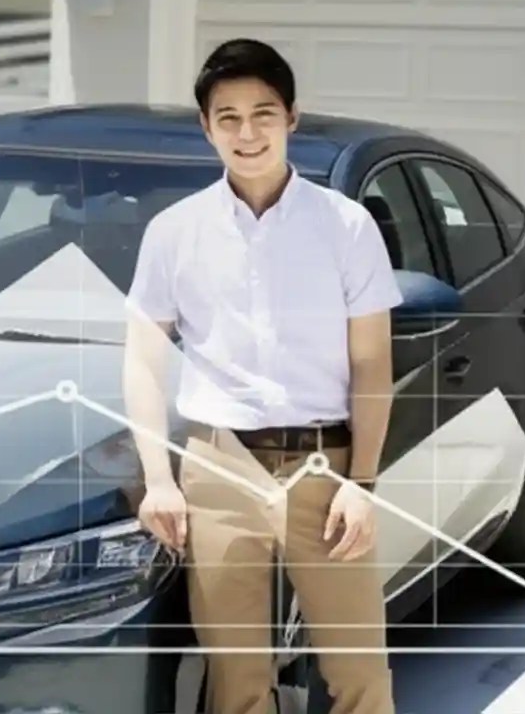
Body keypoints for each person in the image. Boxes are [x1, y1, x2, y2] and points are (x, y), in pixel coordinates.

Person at [122, 38, 403, 714]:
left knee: (360, 676)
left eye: (263, 114)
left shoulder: (346, 226)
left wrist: (362, 483)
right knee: (237, 683)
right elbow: (141, 354)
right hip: (219, 470)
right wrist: (158, 477)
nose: (247, 133)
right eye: (228, 117)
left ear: (292, 118)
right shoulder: (173, 232)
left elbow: (372, 363)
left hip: (324, 470)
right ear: (207, 126)